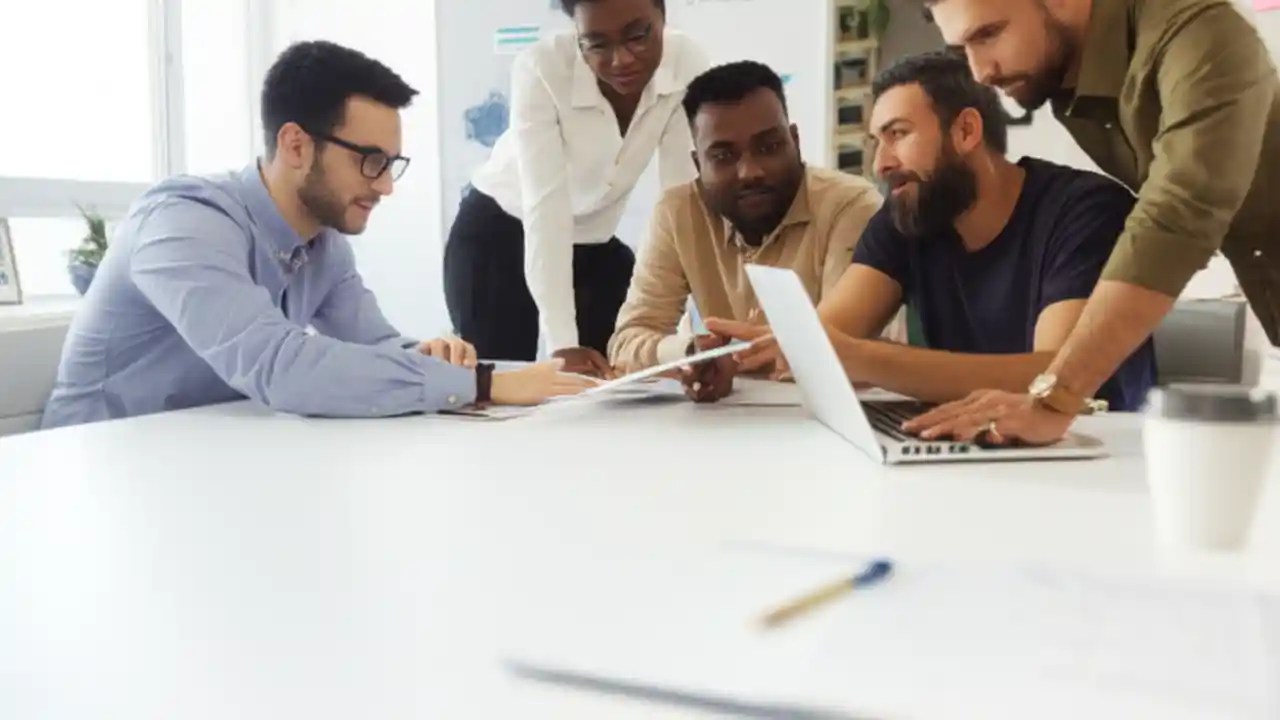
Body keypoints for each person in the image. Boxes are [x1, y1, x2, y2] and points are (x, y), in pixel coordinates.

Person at [42, 41, 593, 430]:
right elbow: (280, 368)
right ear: (297, 144)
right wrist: (479, 385)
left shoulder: (323, 246)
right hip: (99, 461)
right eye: (371, 162)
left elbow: (377, 344)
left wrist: (436, 356)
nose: (386, 187)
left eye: (391, 164)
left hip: (213, 447)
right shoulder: (183, 223)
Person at [903, 0, 1279, 443]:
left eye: (988, 34)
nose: (980, 72)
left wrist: (1054, 397)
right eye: (962, 48)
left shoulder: (1199, 30)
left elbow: (1177, 215)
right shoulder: (1068, 79)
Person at [711, 52, 1156, 411]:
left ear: (966, 130)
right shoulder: (908, 213)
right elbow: (828, 340)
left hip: (1096, 455)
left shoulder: (1086, 211)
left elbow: (1054, 379)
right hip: (974, 448)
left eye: (898, 134)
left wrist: (861, 357)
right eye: (876, 142)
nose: (880, 164)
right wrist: (748, 355)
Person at [444, 0, 709, 377]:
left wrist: (687, 343)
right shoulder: (541, 69)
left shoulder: (687, 64)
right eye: (597, 43)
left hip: (594, 242)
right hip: (500, 233)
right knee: (504, 387)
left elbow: (681, 204)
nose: (621, 60)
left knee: (620, 380)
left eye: (638, 35)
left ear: (662, 15)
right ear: (576, 33)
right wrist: (562, 345)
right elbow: (545, 209)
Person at [608, 61, 882, 402]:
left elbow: (843, 344)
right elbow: (627, 342)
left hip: (831, 418)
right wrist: (690, 353)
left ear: (795, 142)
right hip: (726, 427)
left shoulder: (850, 206)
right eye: (723, 156)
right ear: (698, 165)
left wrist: (749, 355)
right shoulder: (678, 213)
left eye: (768, 148)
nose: (750, 172)